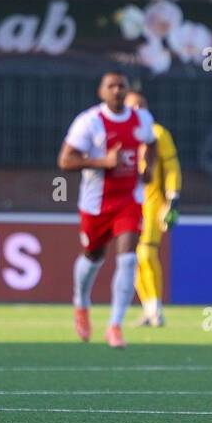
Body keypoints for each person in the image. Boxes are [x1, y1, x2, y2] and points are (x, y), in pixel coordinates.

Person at [58, 72, 157, 349]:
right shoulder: (89, 121)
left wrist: (148, 168)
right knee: (93, 257)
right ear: (101, 92)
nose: (116, 90)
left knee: (127, 259)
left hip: (129, 200)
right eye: (110, 86)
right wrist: (103, 161)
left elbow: (152, 142)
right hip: (96, 203)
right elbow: (65, 161)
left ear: (127, 91)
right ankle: (81, 302)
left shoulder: (142, 119)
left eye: (121, 86)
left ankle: (115, 325)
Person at [124, 91, 180, 328]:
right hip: (125, 205)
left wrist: (172, 199)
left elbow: (171, 167)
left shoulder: (158, 133)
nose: (136, 110)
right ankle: (148, 309)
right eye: (131, 107)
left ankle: (156, 308)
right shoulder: (121, 133)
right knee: (131, 260)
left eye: (140, 105)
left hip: (151, 204)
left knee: (147, 253)